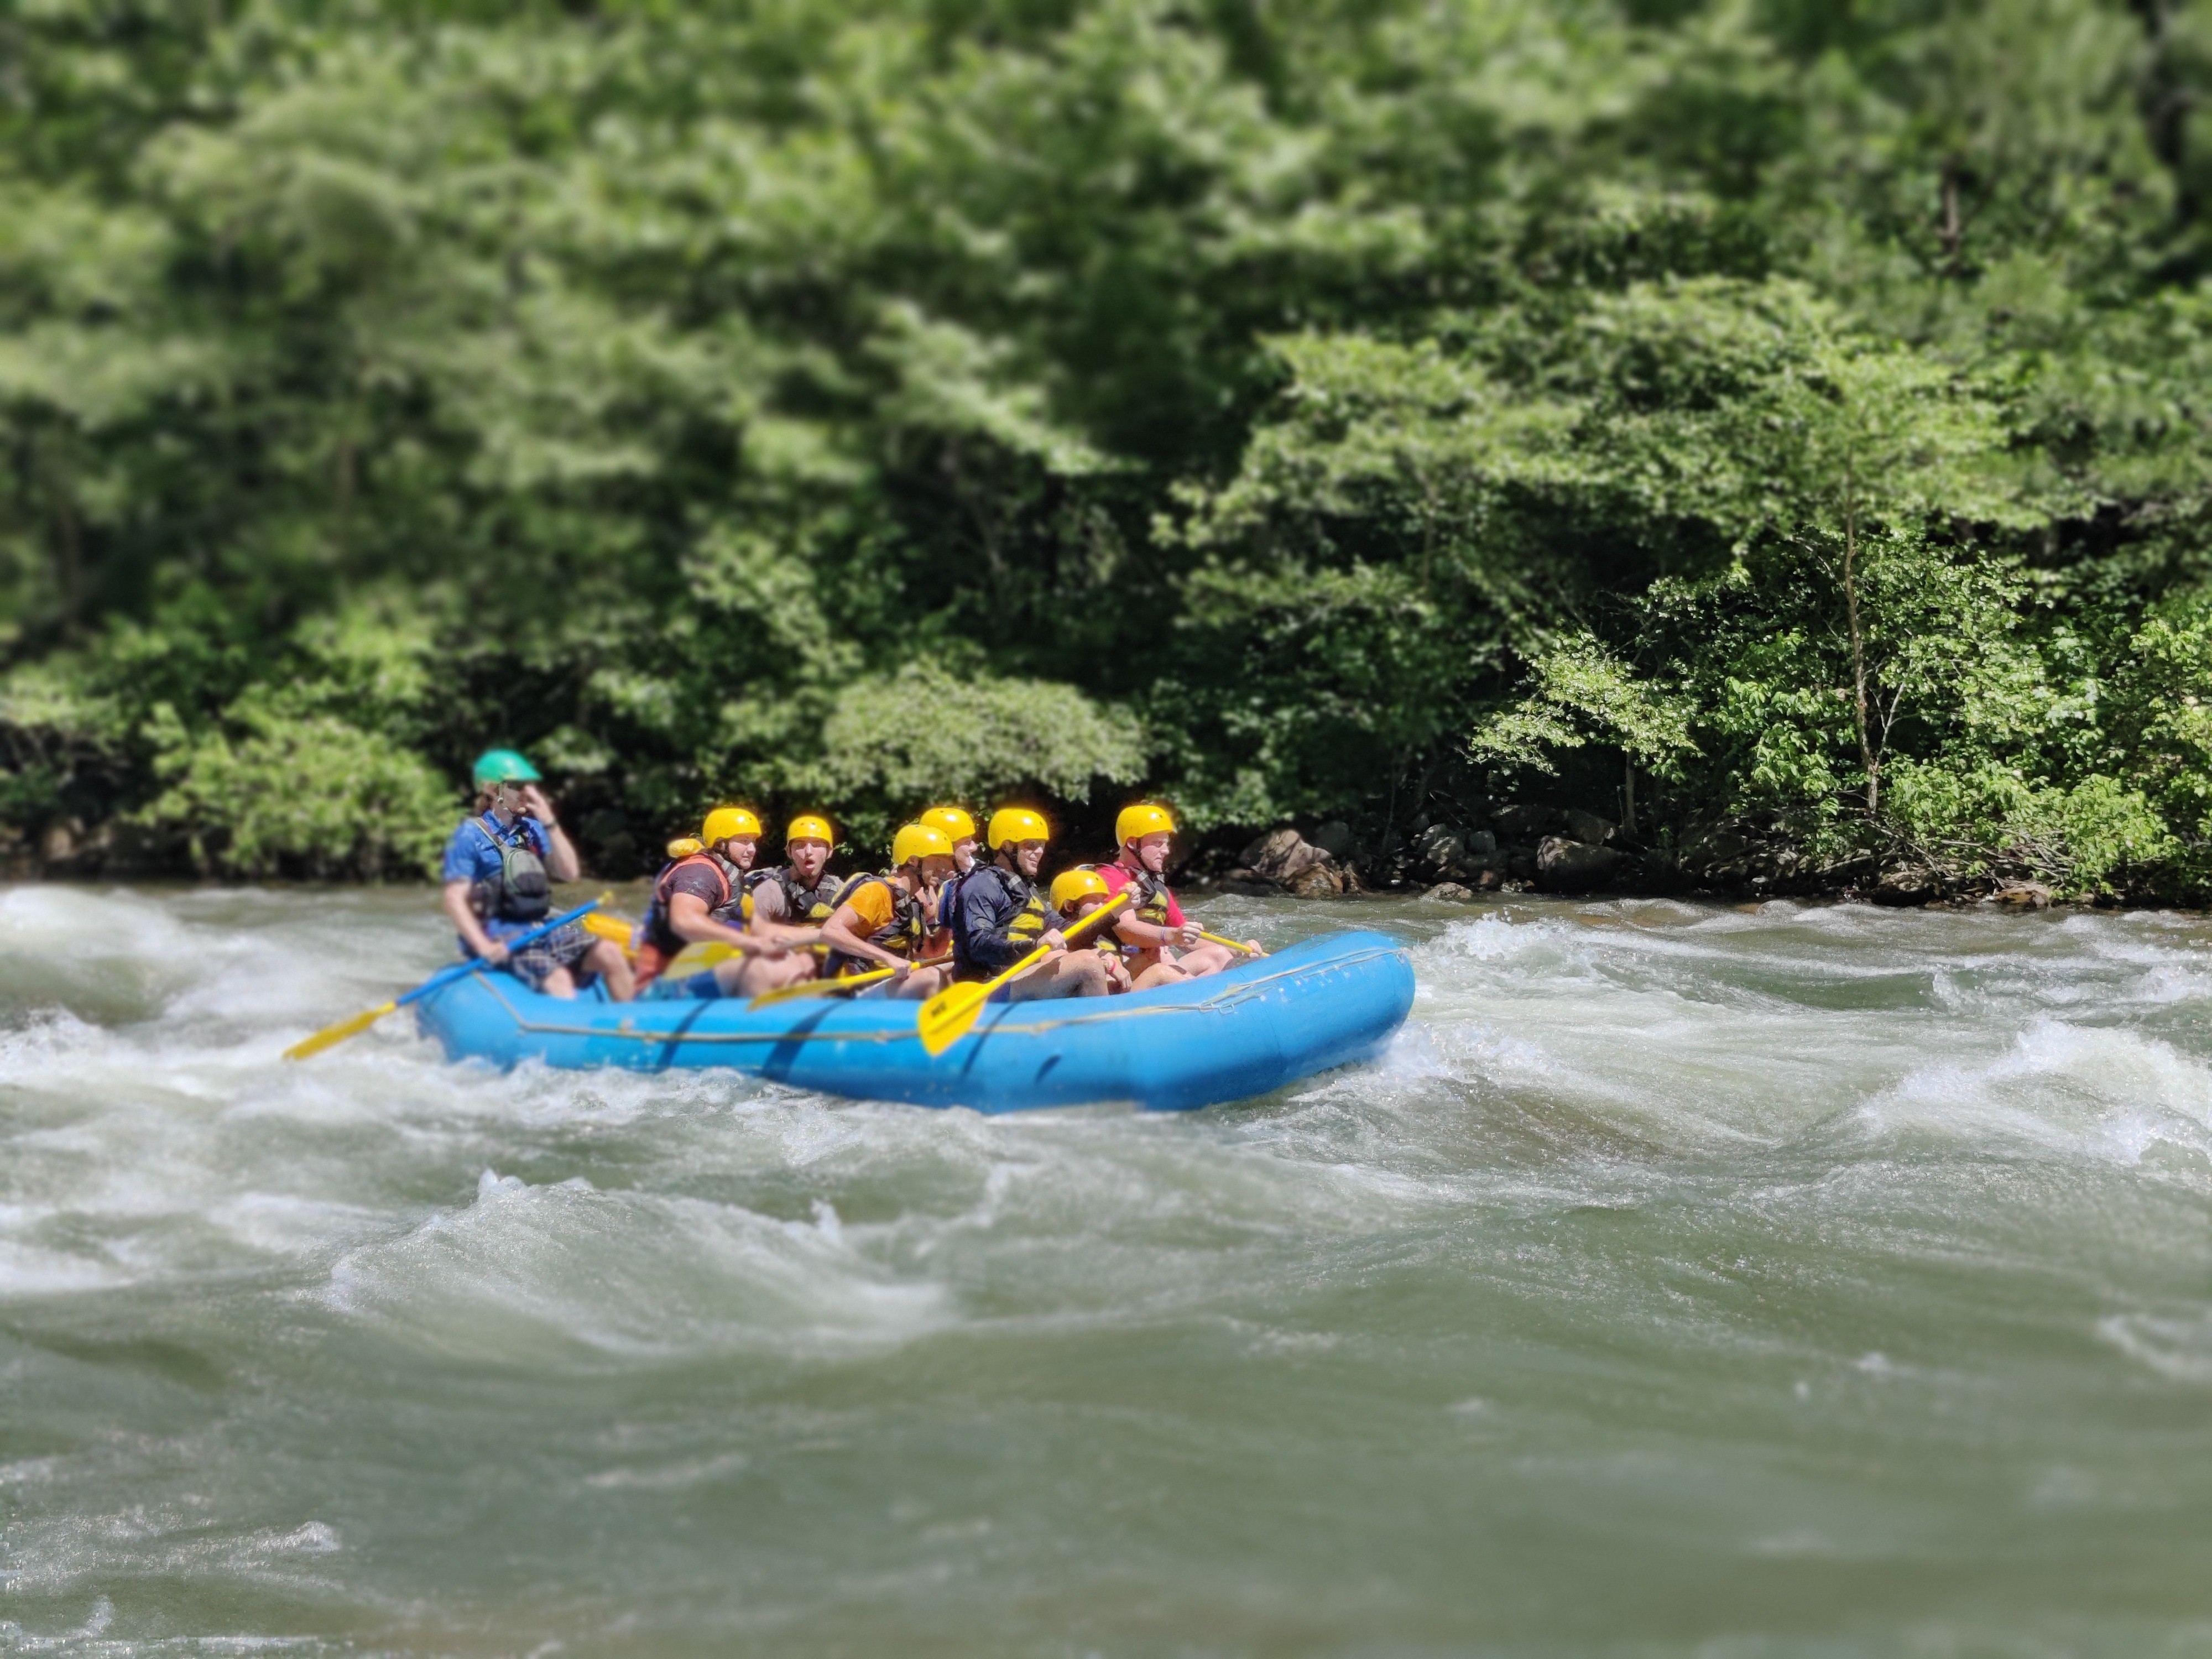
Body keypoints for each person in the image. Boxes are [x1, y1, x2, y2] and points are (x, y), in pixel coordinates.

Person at [440, 748, 634, 1001]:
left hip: (540, 926)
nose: (529, 792)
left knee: (610, 952)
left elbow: (570, 873)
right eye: (519, 785)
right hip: (500, 935)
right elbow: (454, 899)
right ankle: (570, 1034)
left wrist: (550, 821)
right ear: (491, 789)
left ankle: (629, 1030)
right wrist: (483, 946)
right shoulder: (469, 835)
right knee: (560, 978)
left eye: (531, 785)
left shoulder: (533, 829)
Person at [633, 807, 820, 1000]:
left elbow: (760, 929)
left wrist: (821, 936)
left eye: (753, 842)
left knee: (802, 962)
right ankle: (759, 1028)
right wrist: (750, 943)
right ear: (721, 843)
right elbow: (684, 921)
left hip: (703, 967)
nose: (752, 850)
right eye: (744, 841)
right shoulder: (700, 873)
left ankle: (805, 1026)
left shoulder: (732, 878)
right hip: (666, 980)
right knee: (757, 968)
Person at [950, 807, 1115, 1000]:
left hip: (1018, 978)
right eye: (1031, 846)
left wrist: (1115, 913)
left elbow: (1072, 933)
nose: (1039, 852)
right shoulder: (982, 885)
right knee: (1087, 964)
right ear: (1008, 846)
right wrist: (1033, 946)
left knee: (1102, 959)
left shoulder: (1026, 889)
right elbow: (979, 945)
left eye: (1041, 846)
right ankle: (1101, 1029)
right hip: (984, 987)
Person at [1094, 802, 1249, 984]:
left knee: (1218, 956)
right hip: (1122, 971)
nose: (1166, 851)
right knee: (1159, 964)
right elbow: (1127, 931)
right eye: (1158, 844)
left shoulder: (1158, 889)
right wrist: (1171, 936)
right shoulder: (1109, 879)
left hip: (1153, 964)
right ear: (1132, 844)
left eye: (1166, 844)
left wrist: (1238, 951)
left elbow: (1188, 938)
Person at [817, 822, 957, 999]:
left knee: (955, 970)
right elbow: (830, 931)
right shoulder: (876, 891)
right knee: (931, 979)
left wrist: (950, 921)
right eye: (936, 860)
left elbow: (930, 953)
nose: (942, 868)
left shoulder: (911, 903)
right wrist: (887, 958)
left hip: (886, 984)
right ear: (913, 861)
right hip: (857, 989)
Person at [747, 815, 846, 942]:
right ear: (789, 852)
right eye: (800, 845)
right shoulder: (770, 891)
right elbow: (748, 940)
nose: (809, 851)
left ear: (830, 851)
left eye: (816, 844)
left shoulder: (839, 889)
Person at [1047, 868, 1137, 992]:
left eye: (1103, 902)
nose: (1102, 907)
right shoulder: (1058, 935)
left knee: (1160, 972)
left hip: (1117, 994)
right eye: (1095, 902)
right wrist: (1106, 964)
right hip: (1088, 1001)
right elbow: (1078, 937)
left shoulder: (1107, 933)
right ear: (1070, 906)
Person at [917, 805, 979, 956]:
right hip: (940, 966)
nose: (975, 847)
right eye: (967, 842)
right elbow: (933, 953)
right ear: (946, 846)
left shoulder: (959, 880)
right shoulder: (915, 890)